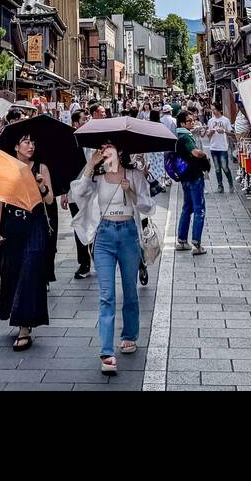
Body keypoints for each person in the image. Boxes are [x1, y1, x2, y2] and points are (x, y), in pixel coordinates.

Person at [69, 142, 154, 375]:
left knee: (129, 289)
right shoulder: (96, 178)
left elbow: (148, 207)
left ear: (119, 152)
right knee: (107, 295)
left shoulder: (134, 174)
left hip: (128, 235)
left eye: (109, 148)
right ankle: (107, 351)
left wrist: (131, 191)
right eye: (102, 148)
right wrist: (90, 166)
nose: (104, 151)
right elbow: (77, 194)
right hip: (104, 236)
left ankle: (129, 335)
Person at [0, 133, 53, 349]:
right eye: (26, 141)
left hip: (35, 225)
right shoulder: (7, 169)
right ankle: (16, 313)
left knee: (30, 269)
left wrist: (42, 186)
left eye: (33, 141)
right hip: (13, 227)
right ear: (16, 146)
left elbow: (49, 199)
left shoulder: (41, 168)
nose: (31, 145)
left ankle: (24, 327)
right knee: (13, 271)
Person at [173, 108, 209, 255]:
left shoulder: (179, 135)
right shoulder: (186, 137)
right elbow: (195, 152)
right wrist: (203, 154)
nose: (192, 122)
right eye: (189, 120)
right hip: (194, 175)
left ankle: (181, 241)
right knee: (199, 209)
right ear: (182, 123)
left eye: (193, 120)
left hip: (185, 177)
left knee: (187, 207)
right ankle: (197, 243)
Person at [64, 107, 94, 279]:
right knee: (79, 226)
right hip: (74, 192)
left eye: (87, 118)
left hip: (91, 190)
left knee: (94, 223)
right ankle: (84, 263)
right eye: (84, 119)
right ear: (75, 123)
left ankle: (95, 254)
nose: (86, 121)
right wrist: (64, 193)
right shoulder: (69, 143)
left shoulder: (92, 139)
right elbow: (66, 170)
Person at [205, 107, 234, 193]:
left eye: (214, 109)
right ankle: (220, 186)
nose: (213, 111)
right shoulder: (210, 121)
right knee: (217, 168)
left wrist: (224, 131)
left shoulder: (225, 120)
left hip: (223, 147)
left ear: (219, 110)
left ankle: (230, 183)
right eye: (212, 109)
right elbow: (208, 134)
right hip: (213, 147)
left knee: (225, 167)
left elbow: (231, 133)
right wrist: (211, 132)